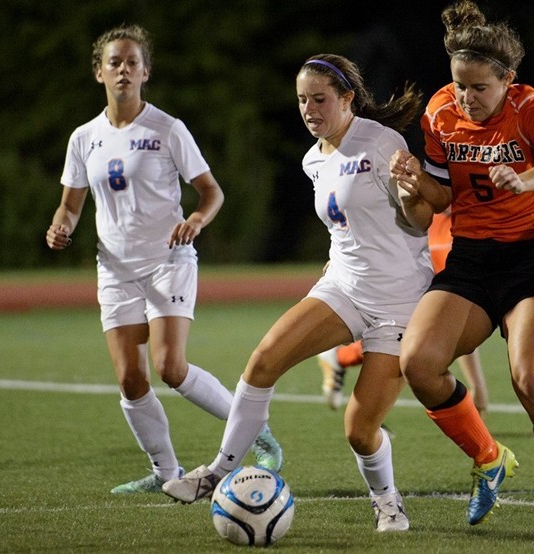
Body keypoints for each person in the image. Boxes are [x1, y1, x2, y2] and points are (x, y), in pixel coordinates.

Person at [163, 53, 431, 533]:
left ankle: (388, 501)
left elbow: (419, 221)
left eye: (320, 99)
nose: (310, 110)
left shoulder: (380, 142)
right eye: (303, 101)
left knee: (360, 429)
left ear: (348, 99)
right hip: (344, 286)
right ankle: (217, 472)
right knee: (263, 361)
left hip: (400, 302)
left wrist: (412, 193)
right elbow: (345, 225)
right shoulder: (313, 159)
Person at [387, 1, 534, 540]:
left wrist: (525, 180)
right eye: (459, 86)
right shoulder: (440, 111)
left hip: (533, 256)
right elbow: (440, 196)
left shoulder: (528, 107)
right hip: (472, 258)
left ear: (508, 79)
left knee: (531, 377)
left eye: (479, 87)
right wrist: (413, 182)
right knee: (418, 363)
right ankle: (488, 456)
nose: (466, 97)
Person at [45, 24, 282, 495]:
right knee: (131, 380)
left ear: (146, 72)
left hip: (167, 261)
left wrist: (195, 219)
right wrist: (62, 227)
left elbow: (211, 192)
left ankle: (259, 434)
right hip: (114, 268)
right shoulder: (83, 138)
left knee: (171, 366)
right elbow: (71, 204)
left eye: (133, 62)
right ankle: (165, 473)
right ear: (99, 73)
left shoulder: (167, 129)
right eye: (115, 62)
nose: (124, 70)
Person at [318, 208, 489, 417]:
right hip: (402, 292)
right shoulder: (420, 216)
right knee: (407, 349)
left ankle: (340, 360)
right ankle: (363, 409)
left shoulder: (467, 223)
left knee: (411, 348)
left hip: (425, 298)